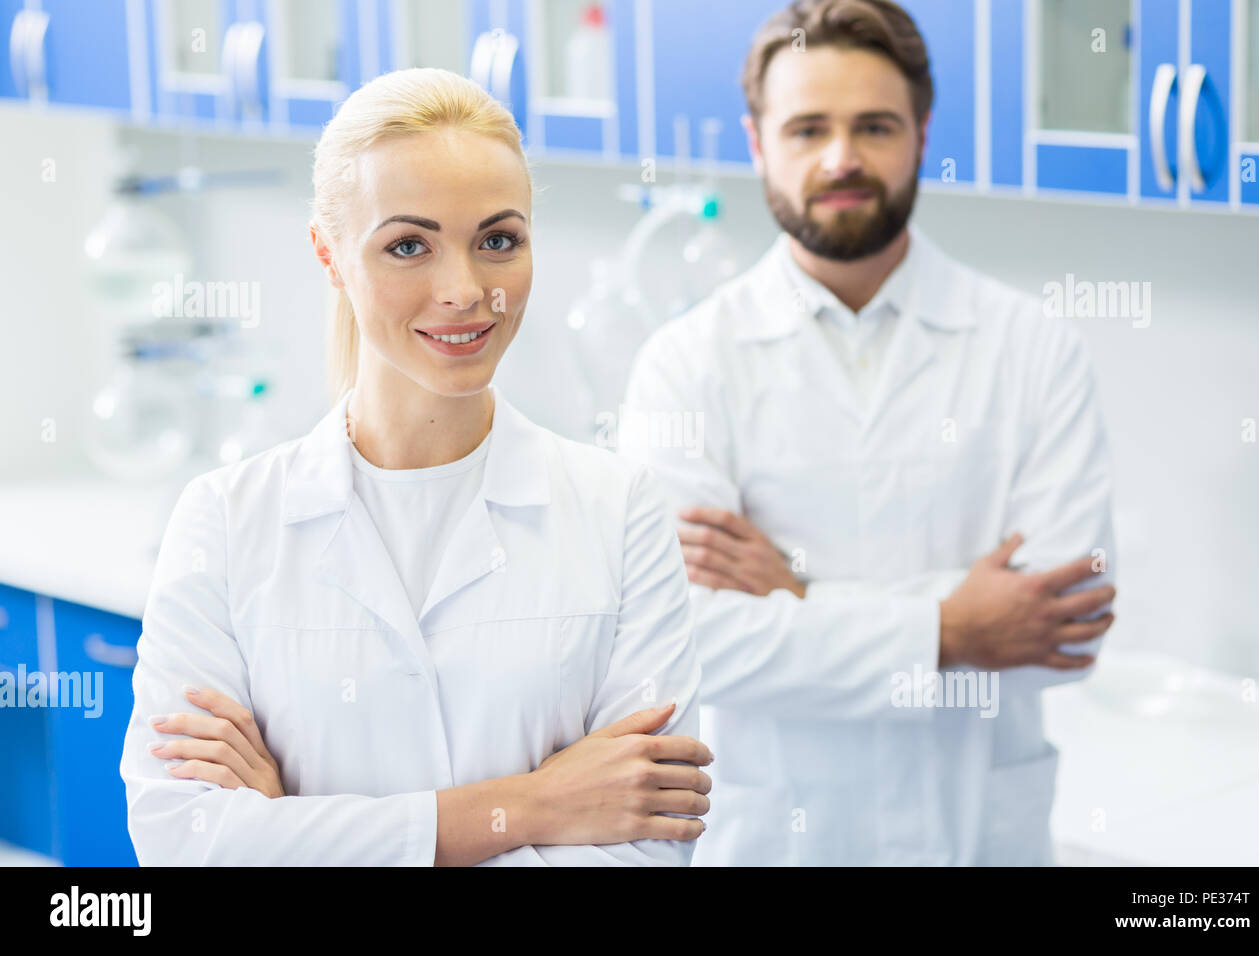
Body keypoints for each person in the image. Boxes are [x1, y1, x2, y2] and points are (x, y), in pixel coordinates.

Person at [120, 67, 710, 866]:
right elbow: (183, 844)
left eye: (497, 240)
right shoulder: (224, 520)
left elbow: (643, 850)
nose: (465, 290)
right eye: (408, 246)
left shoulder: (620, 510)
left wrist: (294, 828)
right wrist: (535, 805)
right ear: (328, 253)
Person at [619, 0, 1116, 865]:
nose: (842, 158)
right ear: (757, 142)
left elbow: (1061, 636)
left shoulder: (1033, 348)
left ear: (922, 135)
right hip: (777, 841)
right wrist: (952, 629)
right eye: (808, 128)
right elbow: (687, 651)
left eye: (874, 126)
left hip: (975, 836)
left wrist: (801, 603)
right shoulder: (686, 364)